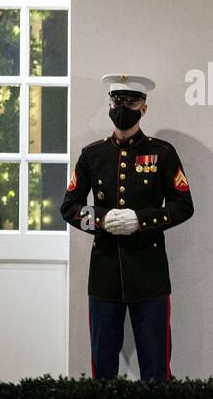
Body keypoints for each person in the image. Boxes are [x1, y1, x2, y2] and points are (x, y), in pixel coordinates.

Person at [60, 74, 194, 381]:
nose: (123, 107)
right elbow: (69, 206)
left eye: (131, 101)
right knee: (102, 365)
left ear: (144, 108)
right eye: (117, 101)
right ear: (108, 104)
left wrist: (141, 220)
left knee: (156, 365)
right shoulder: (92, 155)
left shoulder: (162, 153)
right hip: (105, 271)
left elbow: (183, 205)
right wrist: (102, 219)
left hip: (149, 272)